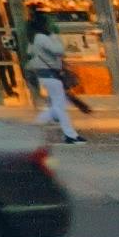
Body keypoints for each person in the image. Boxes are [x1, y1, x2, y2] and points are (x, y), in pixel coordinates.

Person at [24, 8, 82, 144]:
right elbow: (59, 50)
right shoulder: (42, 37)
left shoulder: (34, 38)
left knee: (57, 106)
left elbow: (30, 52)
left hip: (46, 74)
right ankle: (70, 135)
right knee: (59, 107)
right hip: (50, 75)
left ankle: (69, 134)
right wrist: (55, 36)